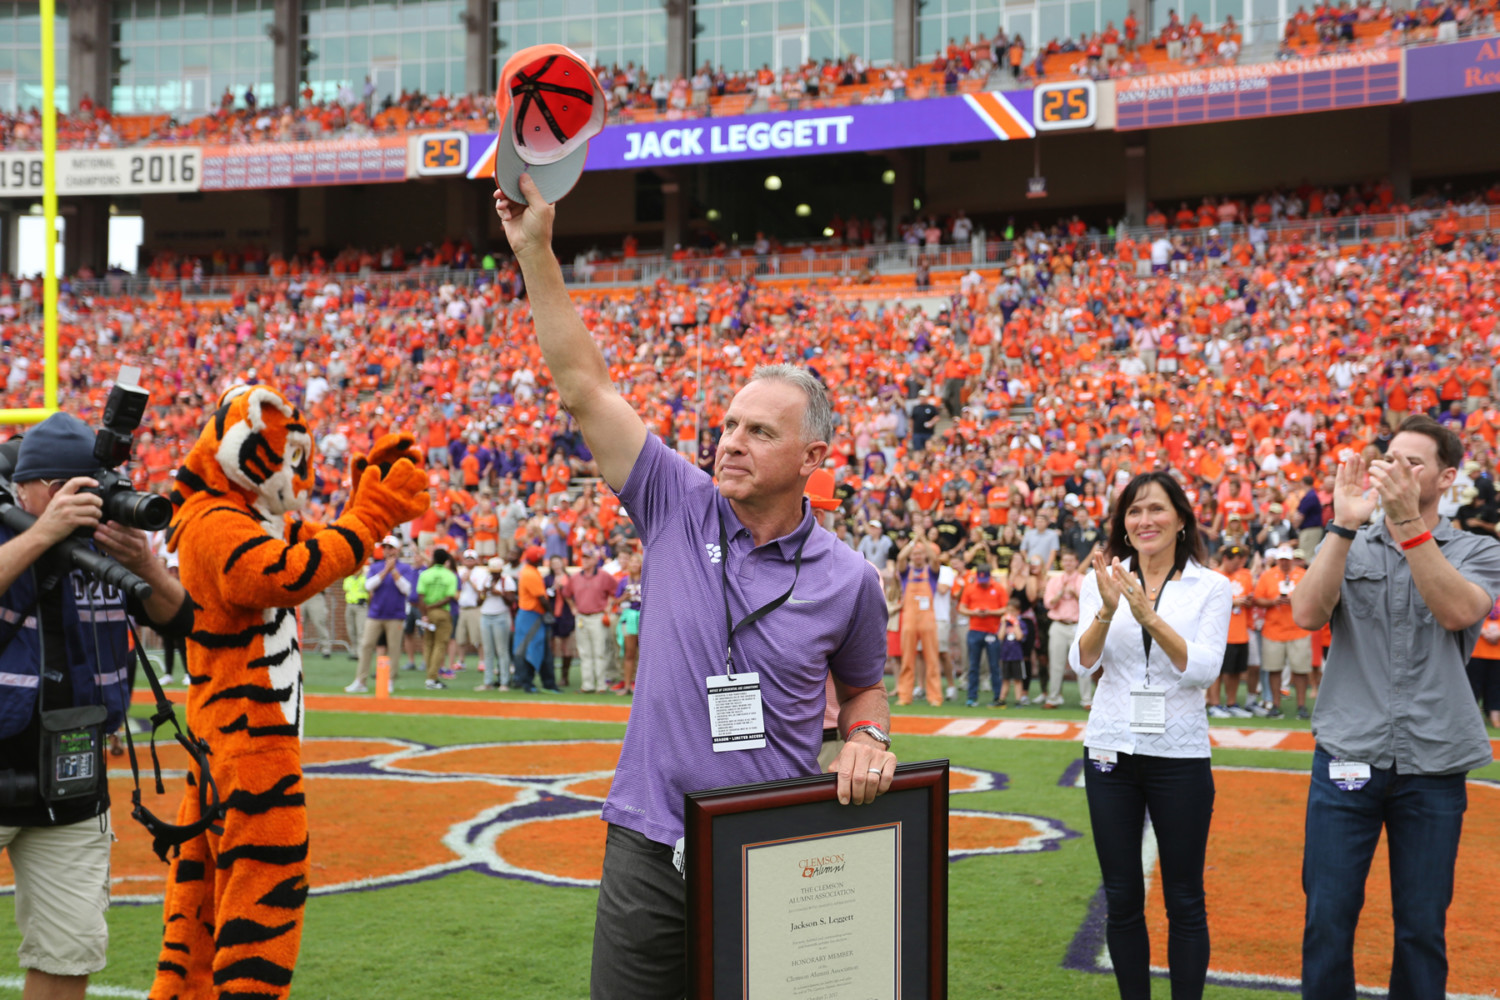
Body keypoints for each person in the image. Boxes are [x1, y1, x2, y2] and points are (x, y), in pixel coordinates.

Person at [495, 172, 898, 1000]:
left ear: (813, 458)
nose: (731, 442)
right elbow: (585, 388)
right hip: (649, 844)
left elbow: (864, 689)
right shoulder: (676, 501)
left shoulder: (850, 579)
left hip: (773, 848)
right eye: (727, 425)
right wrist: (535, 249)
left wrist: (868, 740)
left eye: (759, 430)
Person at [1289, 416, 1500, 1000]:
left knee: (1421, 928)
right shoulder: (1351, 536)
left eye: (1414, 463)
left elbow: (1459, 611)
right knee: (1327, 918)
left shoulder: (1478, 548)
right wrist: (1342, 526)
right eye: (1392, 458)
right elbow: (1305, 615)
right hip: (1347, 754)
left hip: (1433, 760)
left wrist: (1407, 524)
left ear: (1447, 477)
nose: (1397, 470)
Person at [0, 415, 191, 1000]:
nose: (85, 502)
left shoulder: (106, 543)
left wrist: (146, 565)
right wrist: (40, 535)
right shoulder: (9, 529)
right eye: (66, 488)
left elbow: (179, 619)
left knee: (69, 949)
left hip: (72, 773)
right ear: (33, 489)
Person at [1070, 471, 1232, 1000]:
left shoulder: (1211, 586)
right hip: (1110, 748)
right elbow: (1081, 660)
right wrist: (1107, 608)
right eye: (1134, 512)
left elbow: (1204, 668)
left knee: (1185, 897)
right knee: (1121, 896)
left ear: (1181, 519)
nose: (1145, 521)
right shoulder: (1101, 578)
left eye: (1157, 509)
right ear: (1122, 523)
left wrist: (1149, 616)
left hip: (1179, 753)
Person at [1253, 546, 1312, 719]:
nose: (1284, 562)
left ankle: (1301, 705)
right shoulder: (1268, 575)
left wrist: (1297, 600)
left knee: (1300, 670)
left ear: (1292, 559)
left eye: (1287, 559)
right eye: (1282, 559)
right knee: (1274, 669)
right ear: (1277, 559)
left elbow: (1312, 596)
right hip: (1273, 629)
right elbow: (1257, 599)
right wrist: (1274, 601)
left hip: (1298, 629)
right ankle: (1275, 704)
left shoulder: (1303, 574)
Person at [349, 535, 413, 694]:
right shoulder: (376, 567)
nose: (387, 550)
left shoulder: (405, 568)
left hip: (395, 615)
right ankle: (360, 681)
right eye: (385, 547)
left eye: (390, 547)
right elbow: (369, 585)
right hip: (375, 614)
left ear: (397, 550)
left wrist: (394, 572)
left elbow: (407, 589)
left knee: (394, 649)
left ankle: (390, 680)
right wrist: (386, 571)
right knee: (366, 645)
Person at [894, 536, 943, 707]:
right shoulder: (906, 572)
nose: (918, 557)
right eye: (915, 554)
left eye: (921, 554)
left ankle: (935, 696)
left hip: (927, 619)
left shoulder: (931, 572)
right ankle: (905, 695)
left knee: (932, 660)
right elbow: (900, 558)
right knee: (907, 659)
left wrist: (924, 540)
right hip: (909, 619)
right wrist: (914, 541)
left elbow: (935, 559)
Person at [1206, 544, 1254, 718]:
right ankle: (1215, 704)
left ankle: (1231, 703)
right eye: (1234, 561)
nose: (1238, 564)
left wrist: (1248, 600)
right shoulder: (1213, 576)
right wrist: (1234, 602)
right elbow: (1208, 602)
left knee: (1235, 671)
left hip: (1240, 631)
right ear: (1225, 559)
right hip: (1221, 633)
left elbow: (1250, 594)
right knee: (1218, 671)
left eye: (1240, 561)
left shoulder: (1244, 575)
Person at [564, 546, 616, 693]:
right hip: (581, 617)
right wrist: (573, 607)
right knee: (584, 652)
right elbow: (566, 593)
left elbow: (615, 590)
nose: (584, 560)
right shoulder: (575, 577)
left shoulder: (604, 576)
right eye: (583, 557)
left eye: (588, 557)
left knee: (600, 651)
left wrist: (609, 605)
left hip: (598, 617)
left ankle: (601, 685)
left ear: (595, 560)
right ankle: (588, 685)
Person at [512, 545, 558, 693]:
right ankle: (527, 682)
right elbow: (542, 599)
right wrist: (550, 613)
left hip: (532, 615)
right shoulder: (530, 573)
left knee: (541, 651)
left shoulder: (530, 570)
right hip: (531, 616)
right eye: (540, 556)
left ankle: (547, 682)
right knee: (529, 650)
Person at [1042, 548, 1084, 708]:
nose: (1068, 564)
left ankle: (1086, 699)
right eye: (1065, 560)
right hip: (1059, 624)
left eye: (1071, 561)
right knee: (1056, 663)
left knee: (1082, 663)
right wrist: (1060, 593)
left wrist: (1075, 594)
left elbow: (1090, 603)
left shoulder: (1083, 579)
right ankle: (1053, 698)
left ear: (1076, 562)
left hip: (1078, 625)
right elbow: (1048, 603)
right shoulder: (1055, 580)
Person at [960, 565, 1007, 707]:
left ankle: (998, 696)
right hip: (975, 630)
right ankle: (972, 697)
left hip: (992, 631)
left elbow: (1006, 608)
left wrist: (990, 612)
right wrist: (974, 612)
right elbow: (962, 608)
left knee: (994, 666)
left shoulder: (998, 588)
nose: (983, 582)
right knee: (973, 665)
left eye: (985, 579)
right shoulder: (970, 588)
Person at [415, 547, 458, 689]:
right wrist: (434, 606)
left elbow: (420, 596)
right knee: (440, 645)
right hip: (442, 613)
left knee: (428, 644)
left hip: (428, 612)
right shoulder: (450, 575)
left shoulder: (425, 574)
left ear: (433, 558)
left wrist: (425, 613)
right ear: (446, 560)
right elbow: (449, 597)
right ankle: (432, 678)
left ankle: (430, 675)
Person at [471, 556, 513, 691]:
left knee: (502, 650)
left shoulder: (507, 580)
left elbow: (511, 601)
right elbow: (478, 601)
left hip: (501, 615)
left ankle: (504, 682)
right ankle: (488, 681)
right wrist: (484, 592)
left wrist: (499, 593)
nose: (494, 574)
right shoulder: (485, 579)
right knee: (488, 650)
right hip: (486, 615)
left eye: (496, 572)